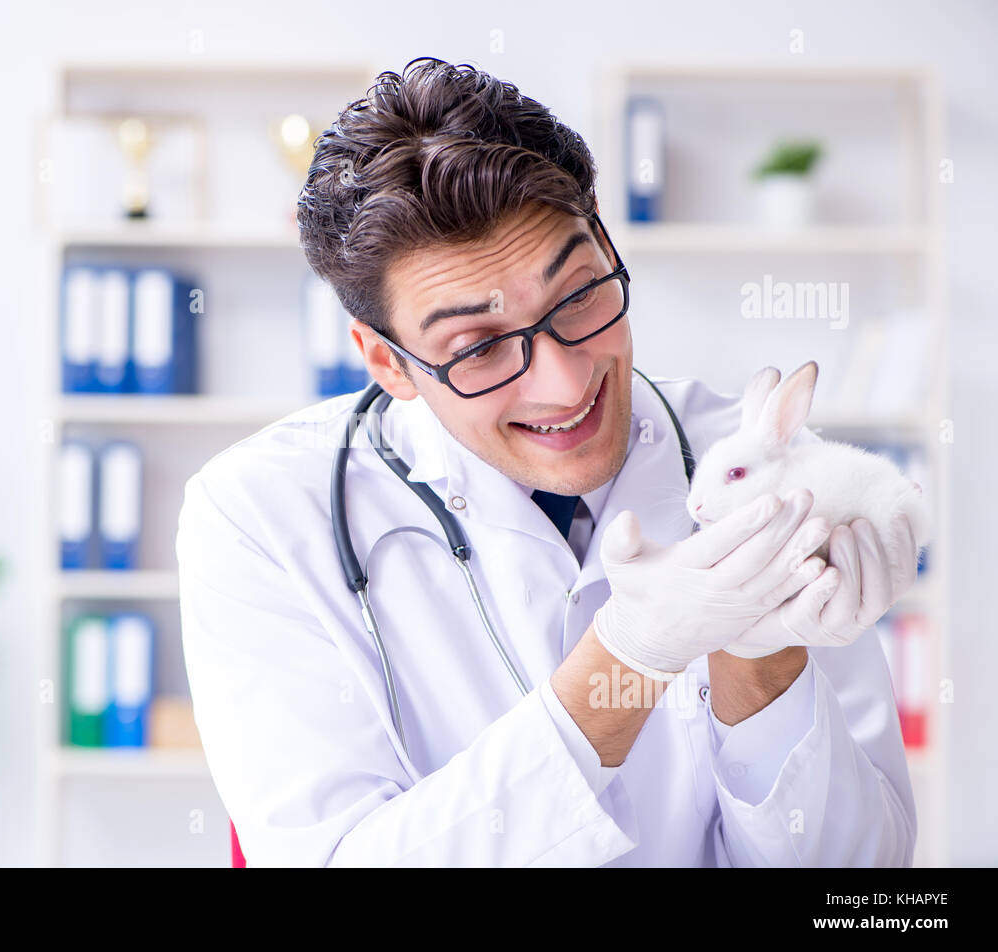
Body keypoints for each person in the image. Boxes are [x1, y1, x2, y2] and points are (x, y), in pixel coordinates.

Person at [175, 57, 919, 866]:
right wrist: (630, 659)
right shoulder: (259, 516)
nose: (566, 383)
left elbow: (865, 884)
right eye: (479, 346)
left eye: (577, 296)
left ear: (604, 238)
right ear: (387, 363)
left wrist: (760, 658)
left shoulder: (758, 465)